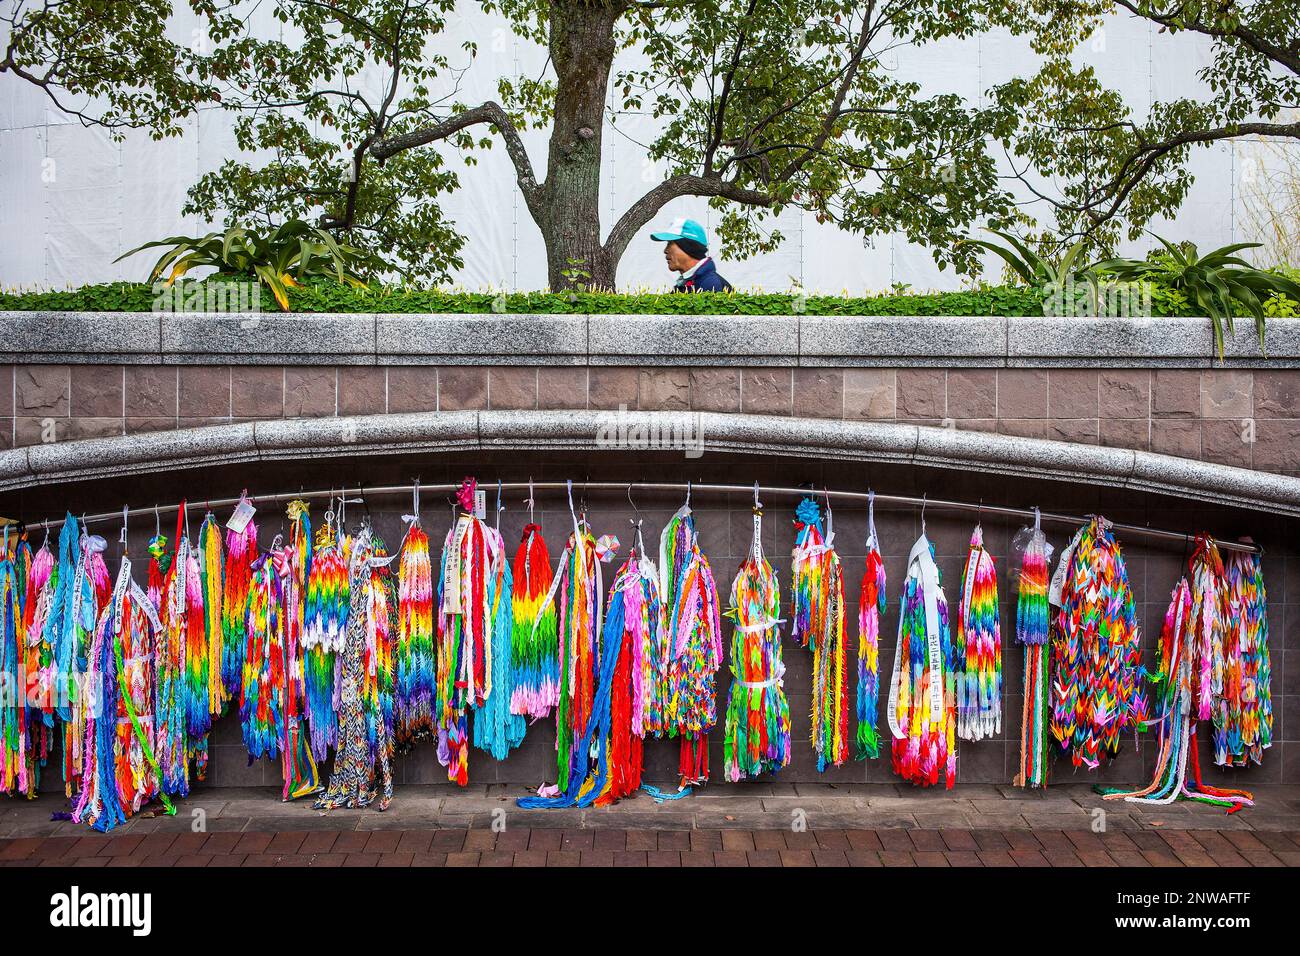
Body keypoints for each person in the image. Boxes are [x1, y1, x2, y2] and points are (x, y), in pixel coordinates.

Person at [650, 217, 733, 292]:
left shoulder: (711, 285)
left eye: (670, 244)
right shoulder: (685, 283)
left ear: (688, 247)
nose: (665, 250)